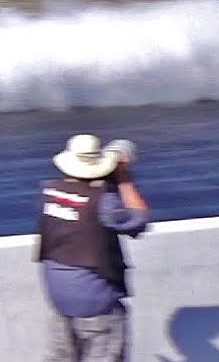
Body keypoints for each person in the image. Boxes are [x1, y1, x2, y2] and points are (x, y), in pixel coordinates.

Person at [36, 134, 150, 362]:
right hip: (97, 307)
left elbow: (79, 205)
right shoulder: (104, 202)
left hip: (61, 302)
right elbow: (139, 220)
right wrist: (124, 179)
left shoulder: (49, 193)